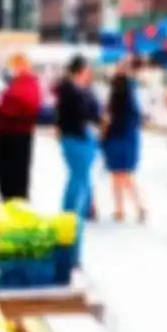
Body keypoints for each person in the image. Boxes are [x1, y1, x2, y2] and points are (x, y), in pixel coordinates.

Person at [55, 55, 101, 262]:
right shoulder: (70, 91)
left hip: (82, 138)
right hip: (75, 138)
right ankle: (71, 218)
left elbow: (94, 112)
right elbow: (86, 113)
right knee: (78, 180)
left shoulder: (81, 89)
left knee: (81, 180)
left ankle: (74, 216)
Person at [0, 53, 42, 201]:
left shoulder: (30, 83)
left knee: (18, 177)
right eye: (14, 65)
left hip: (19, 135)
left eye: (21, 65)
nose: (18, 69)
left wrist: (6, 99)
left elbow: (29, 105)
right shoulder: (3, 81)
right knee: (1, 173)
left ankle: (18, 205)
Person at [101, 68, 147, 222]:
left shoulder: (113, 103)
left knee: (116, 175)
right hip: (129, 140)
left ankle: (120, 209)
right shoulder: (132, 103)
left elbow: (107, 121)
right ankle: (138, 205)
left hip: (114, 140)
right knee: (126, 175)